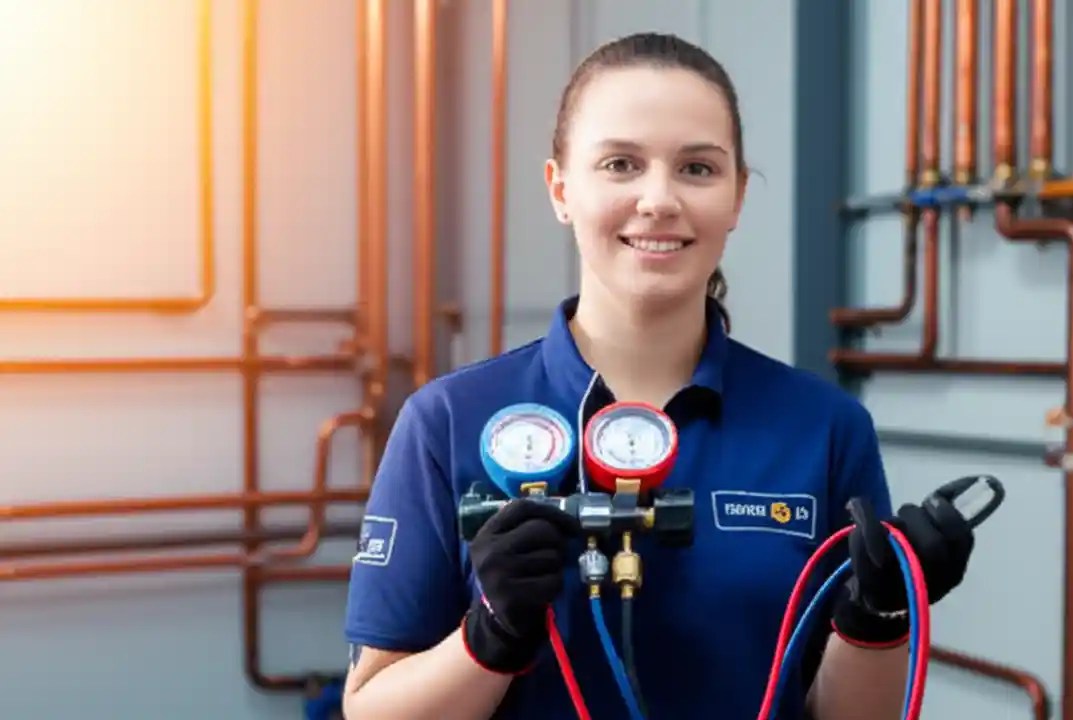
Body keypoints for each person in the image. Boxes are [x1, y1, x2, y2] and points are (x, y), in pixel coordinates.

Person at [341, 31, 976, 720]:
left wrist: (878, 617)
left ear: (736, 196)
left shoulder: (823, 429)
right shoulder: (448, 421)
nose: (659, 199)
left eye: (697, 169)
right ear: (560, 189)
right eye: (620, 163)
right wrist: (488, 637)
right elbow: (372, 706)